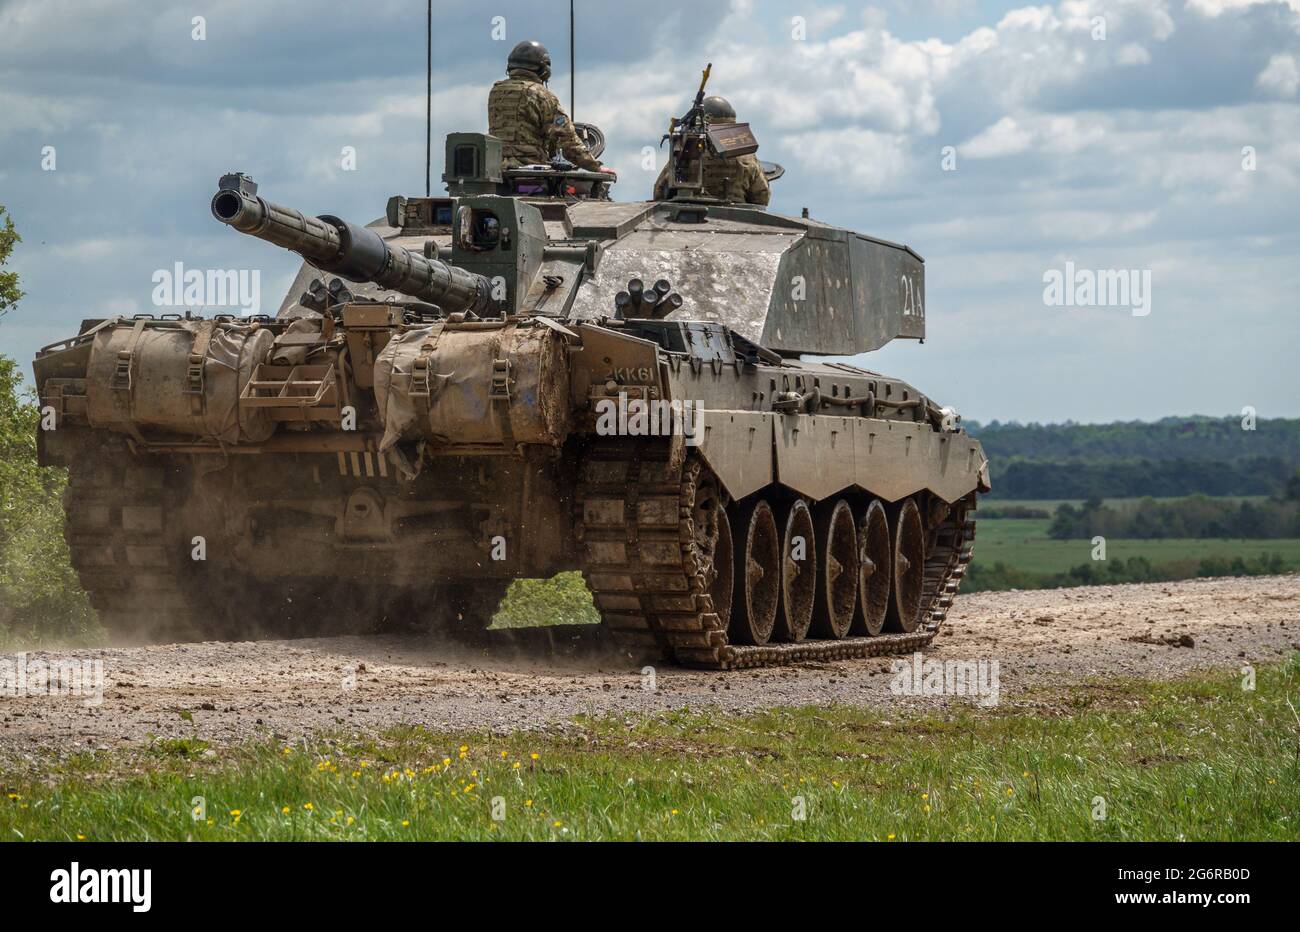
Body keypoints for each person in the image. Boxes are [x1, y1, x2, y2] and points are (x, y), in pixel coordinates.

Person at [487, 40, 613, 174]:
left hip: (497, 170)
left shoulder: (496, 91)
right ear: (543, 70)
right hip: (530, 170)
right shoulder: (541, 95)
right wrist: (595, 166)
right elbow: (566, 139)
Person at [654, 95, 770, 205]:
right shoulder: (746, 155)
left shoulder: (687, 150)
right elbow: (762, 197)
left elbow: (659, 192)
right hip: (738, 218)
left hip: (692, 217)